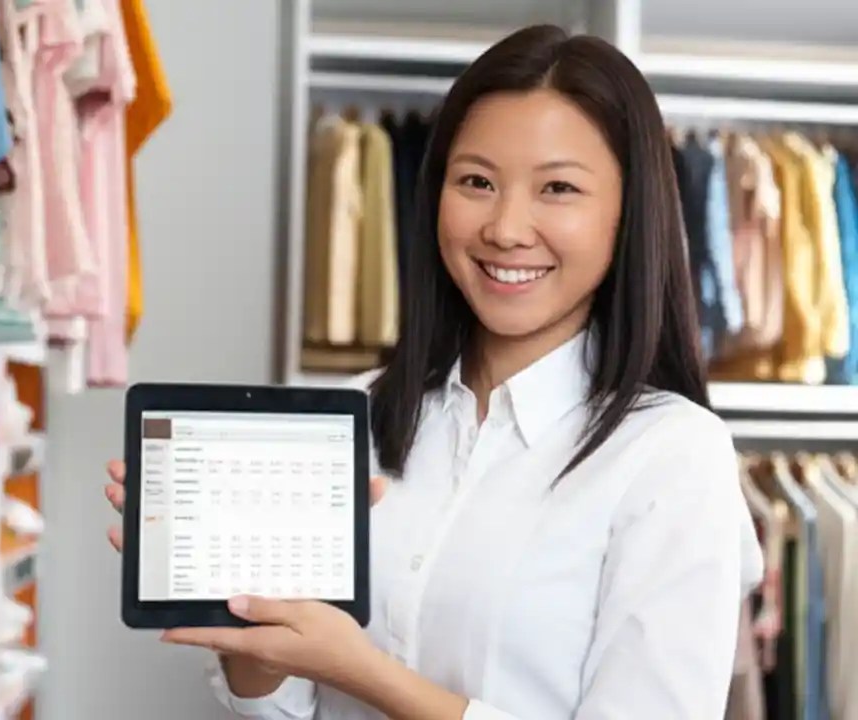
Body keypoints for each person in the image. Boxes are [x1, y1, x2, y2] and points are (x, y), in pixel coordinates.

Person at [104, 23, 763, 720]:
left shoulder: (672, 456)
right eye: (476, 181)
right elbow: (288, 706)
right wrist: (248, 634)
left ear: (627, 215)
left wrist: (364, 671)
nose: (506, 228)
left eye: (558, 189)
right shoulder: (356, 414)